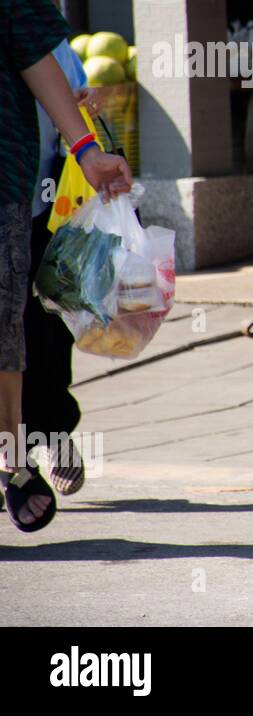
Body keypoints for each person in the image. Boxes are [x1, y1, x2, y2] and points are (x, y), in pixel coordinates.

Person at [0, 0, 132, 533]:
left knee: (34, 325)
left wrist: (85, 140)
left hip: (39, 195)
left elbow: (41, 54)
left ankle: (36, 440)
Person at [23, 40, 95, 496]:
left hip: (42, 203)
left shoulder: (26, 14)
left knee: (45, 321)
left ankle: (51, 432)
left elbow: (78, 91)